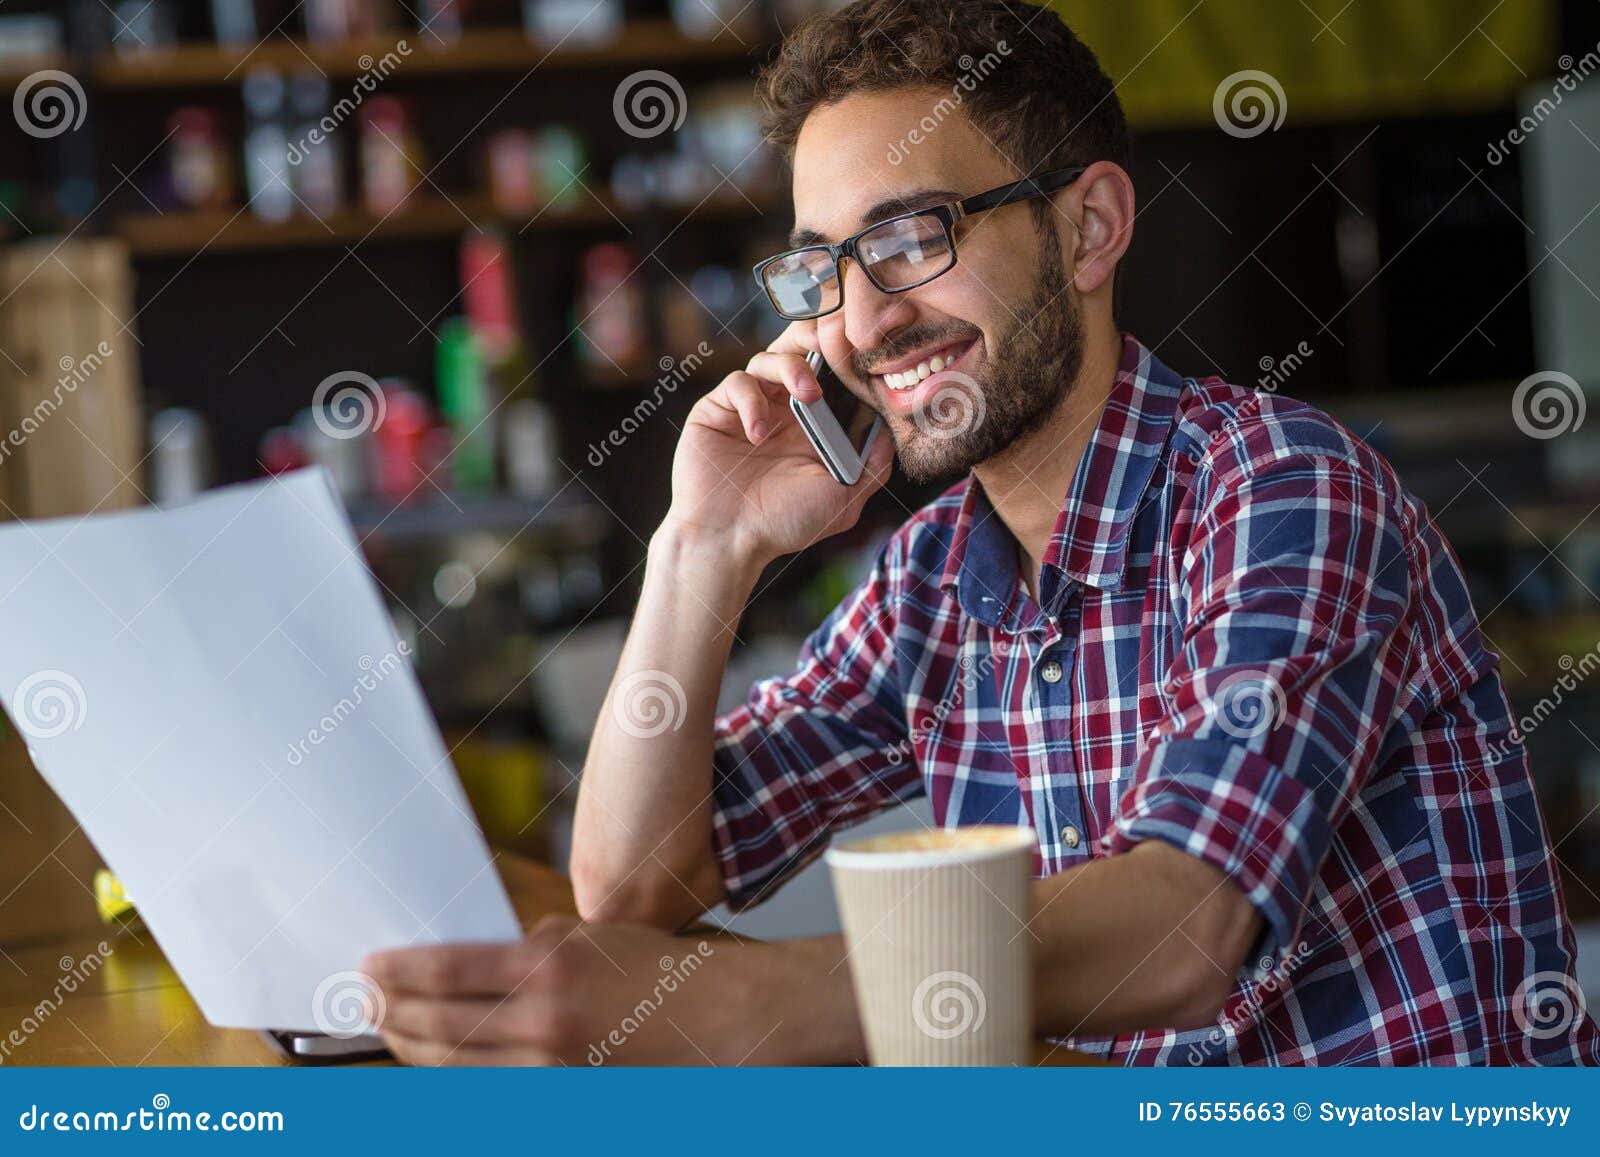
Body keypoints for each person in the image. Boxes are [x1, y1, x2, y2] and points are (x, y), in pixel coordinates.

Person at [365, 0, 1599, 1065]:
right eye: (821, 270)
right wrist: (702, 546)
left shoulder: (1283, 488)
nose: (861, 321)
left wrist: (738, 1007)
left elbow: (1181, 924)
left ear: (1088, 228)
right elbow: (633, 889)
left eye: (910, 240)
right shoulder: (931, 580)